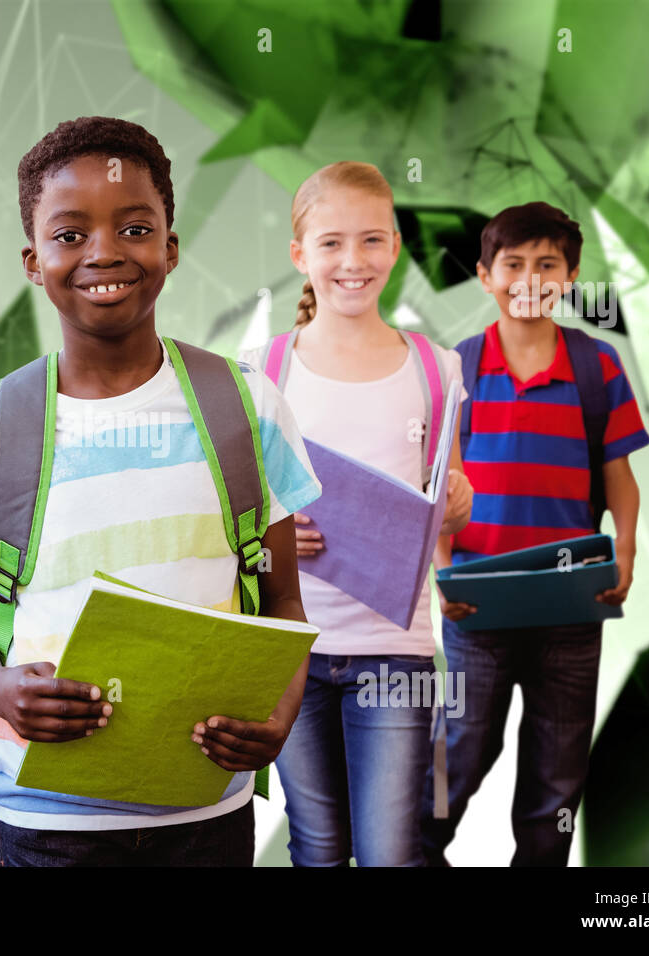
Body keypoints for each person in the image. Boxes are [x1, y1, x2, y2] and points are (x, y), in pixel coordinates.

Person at [0, 116, 323, 866]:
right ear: (32, 259)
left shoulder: (247, 406)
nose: (104, 252)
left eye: (135, 227)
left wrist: (280, 710)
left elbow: (281, 602)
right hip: (51, 823)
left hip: (206, 809)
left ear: (170, 248)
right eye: (70, 234)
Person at [240, 161, 472, 866]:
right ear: (299, 256)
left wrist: (458, 502)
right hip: (291, 650)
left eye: (371, 241)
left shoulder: (436, 367)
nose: (352, 261)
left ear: (396, 247)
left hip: (393, 650)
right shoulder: (261, 369)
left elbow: (446, 493)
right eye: (331, 243)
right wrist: (273, 538)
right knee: (317, 848)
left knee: (389, 854)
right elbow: (235, 520)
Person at [421, 201, 649, 866]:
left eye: (546, 264)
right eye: (513, 264)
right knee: (459, 750)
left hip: (573, 607)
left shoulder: (595, 366)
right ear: (486, 274)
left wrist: (626, 556)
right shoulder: (456, 368)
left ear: (570, 277)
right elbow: (442, 482)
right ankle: (411, 852)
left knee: (558, 773)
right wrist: (443, 568)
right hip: (477, 603)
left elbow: (620, 474)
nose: (529, 278)